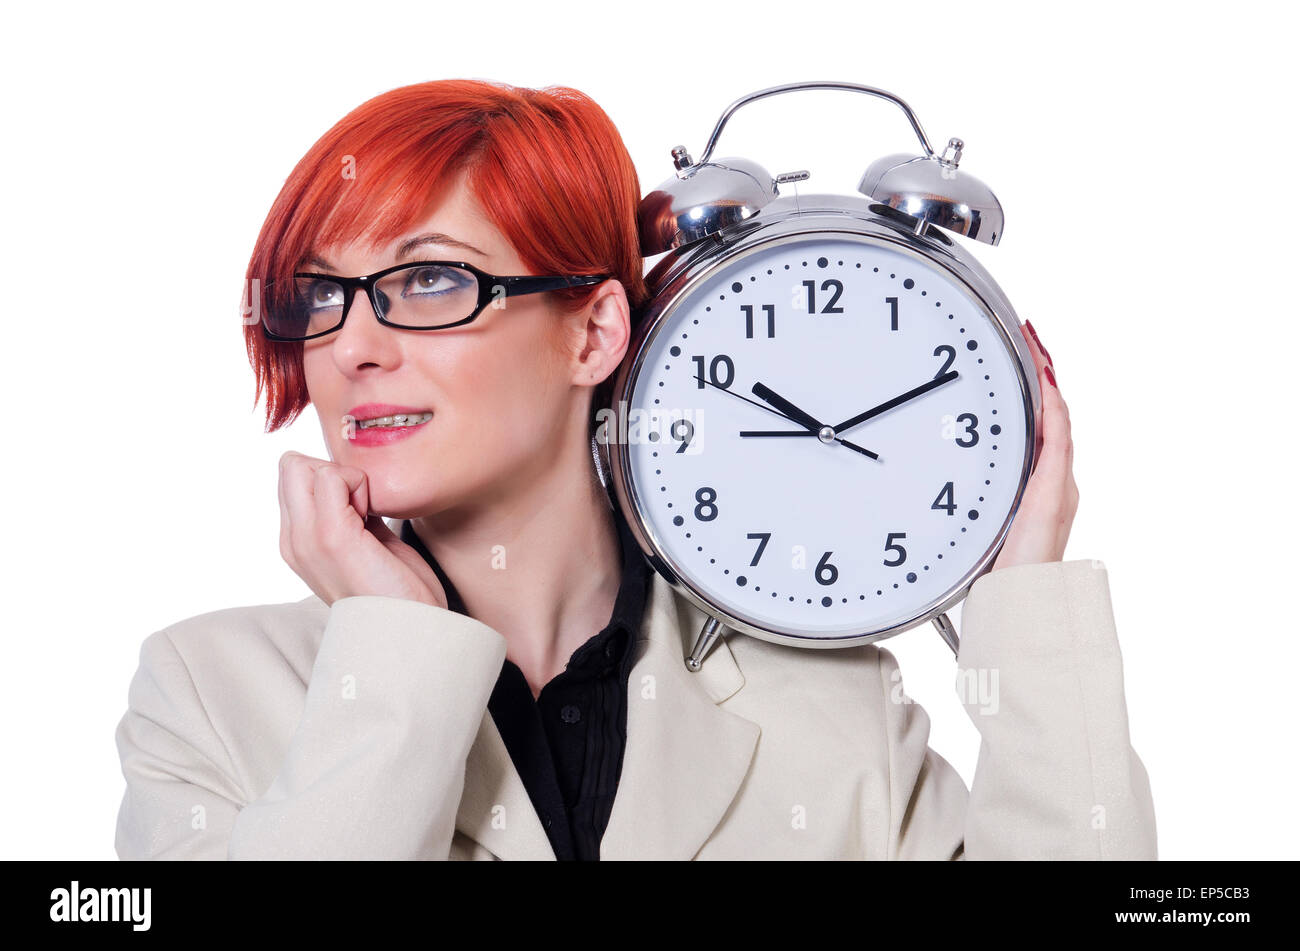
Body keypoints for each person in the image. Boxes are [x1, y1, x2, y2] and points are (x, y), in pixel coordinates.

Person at [113, 79, 1157, 860]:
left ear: (593, 331)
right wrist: (390, 650)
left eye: (429, 280)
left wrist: (1024, 596)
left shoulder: (832, 710)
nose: (352, 346)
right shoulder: (209, 693)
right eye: (318, 296)